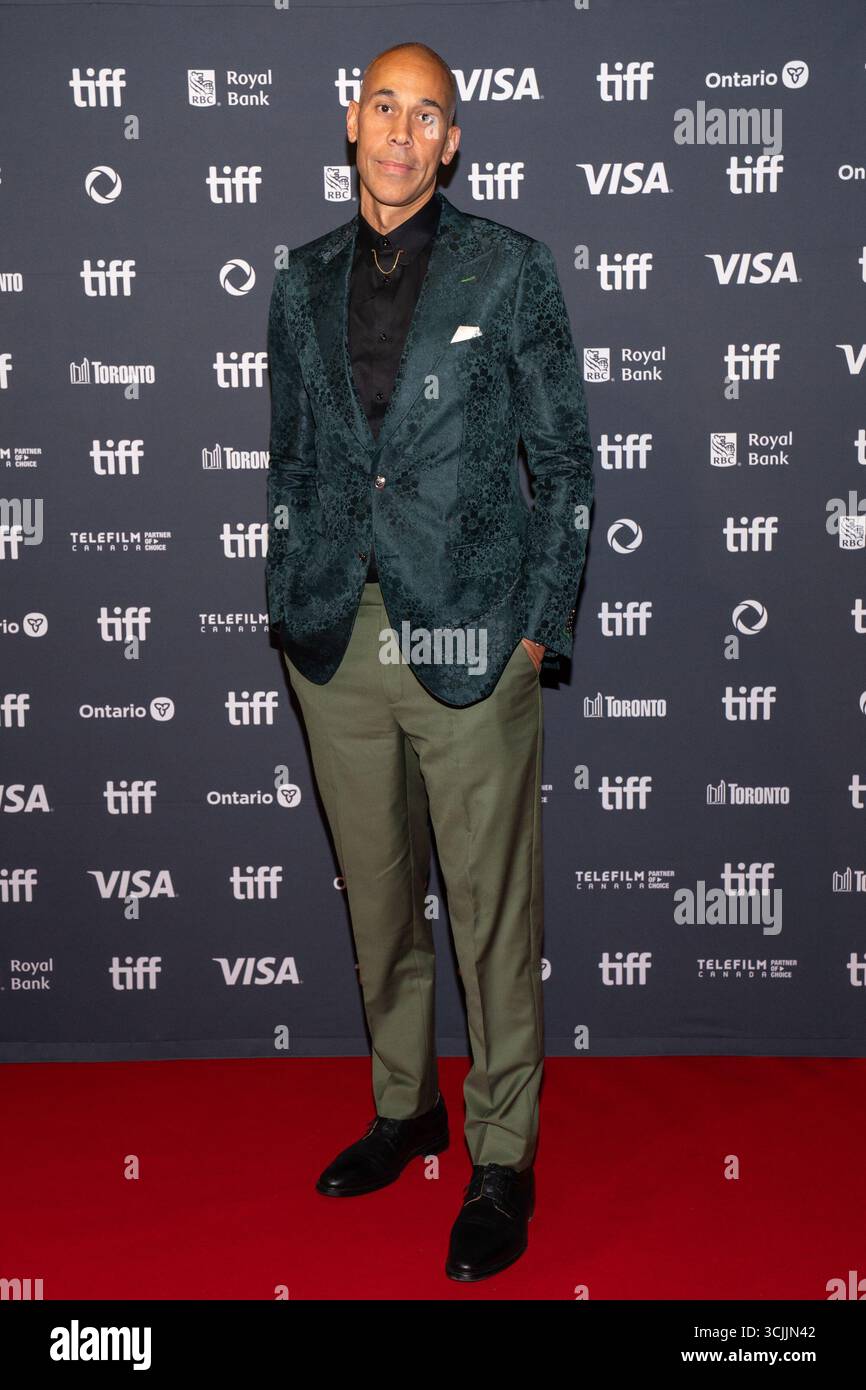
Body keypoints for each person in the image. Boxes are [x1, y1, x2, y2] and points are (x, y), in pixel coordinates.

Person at [265, 40, 594, 1281]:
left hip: (473, 640)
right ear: (353, 121)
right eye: (384, 107)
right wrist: (285, 585)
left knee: (492, 916)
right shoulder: (296, 283)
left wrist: (536, 627)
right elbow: (293, 459)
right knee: (379, 898)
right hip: (332, 640)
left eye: (428, 117)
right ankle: (403, 1111)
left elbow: (563, 464)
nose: (402, 134)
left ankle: (501, 1154)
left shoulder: (510, 270)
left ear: (452, 142)